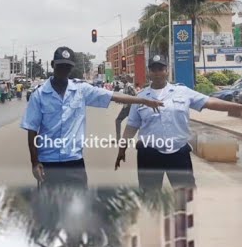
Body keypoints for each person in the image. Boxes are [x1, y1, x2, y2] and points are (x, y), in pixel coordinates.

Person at [22, 46, 163, 190]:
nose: (64, 70)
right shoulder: (39, 95)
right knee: (49, 208)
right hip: (48, 162)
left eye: (67, 67)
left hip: (74, 162)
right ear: (53, 65)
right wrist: (34, 162)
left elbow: (112, 96)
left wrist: (142, 101)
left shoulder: (81, 90)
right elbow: (32, 130)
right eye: (61, 66)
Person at [115, 54, 242, 192]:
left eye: (161, 69)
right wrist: (122, 149)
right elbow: (131, 127)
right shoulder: (140, 98)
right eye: (154, 69)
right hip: (149, 154)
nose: (157, 73)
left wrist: (239, 107)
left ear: (167, 71)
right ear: (149, 72)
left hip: (178, 153)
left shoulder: (182, 92)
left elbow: (210, 102)